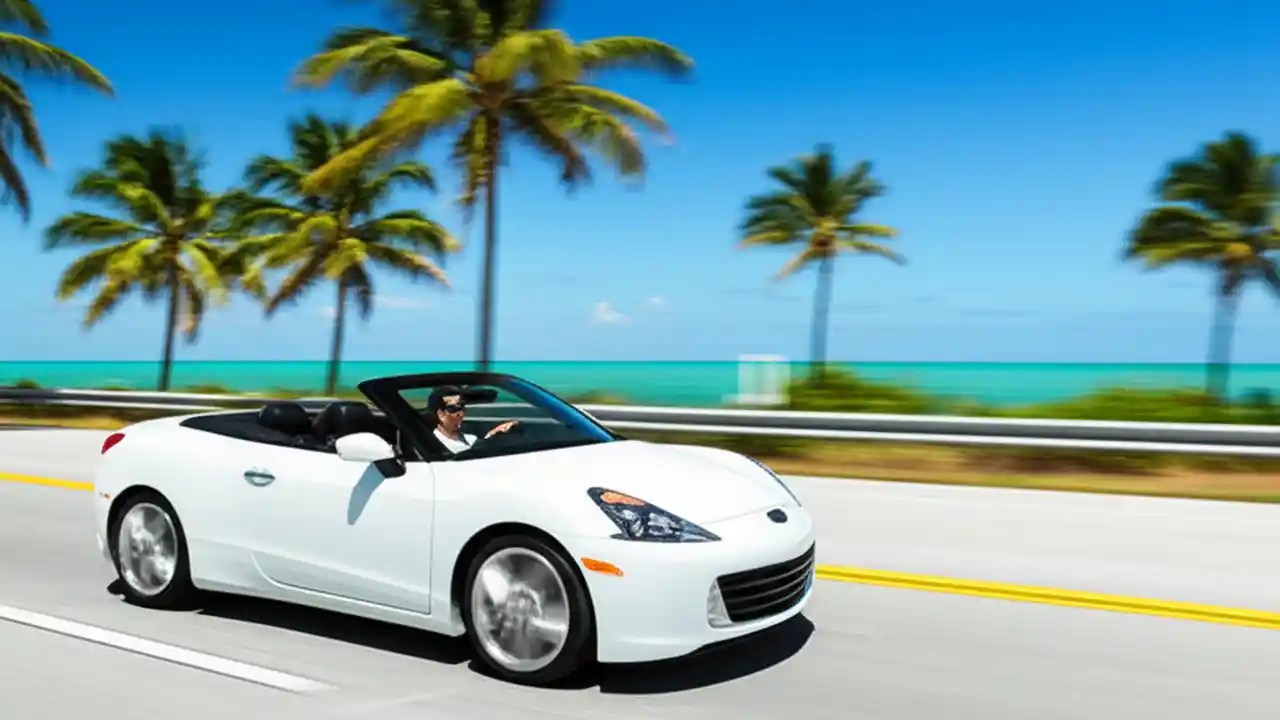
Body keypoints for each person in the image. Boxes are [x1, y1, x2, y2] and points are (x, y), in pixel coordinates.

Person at [427, 385, 518, 454]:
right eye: (454, 409)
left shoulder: (470, 438)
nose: (461, 413)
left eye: (462, 406)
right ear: (441, 414)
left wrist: (495, 432)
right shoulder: (434, 445)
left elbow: (478, 447)